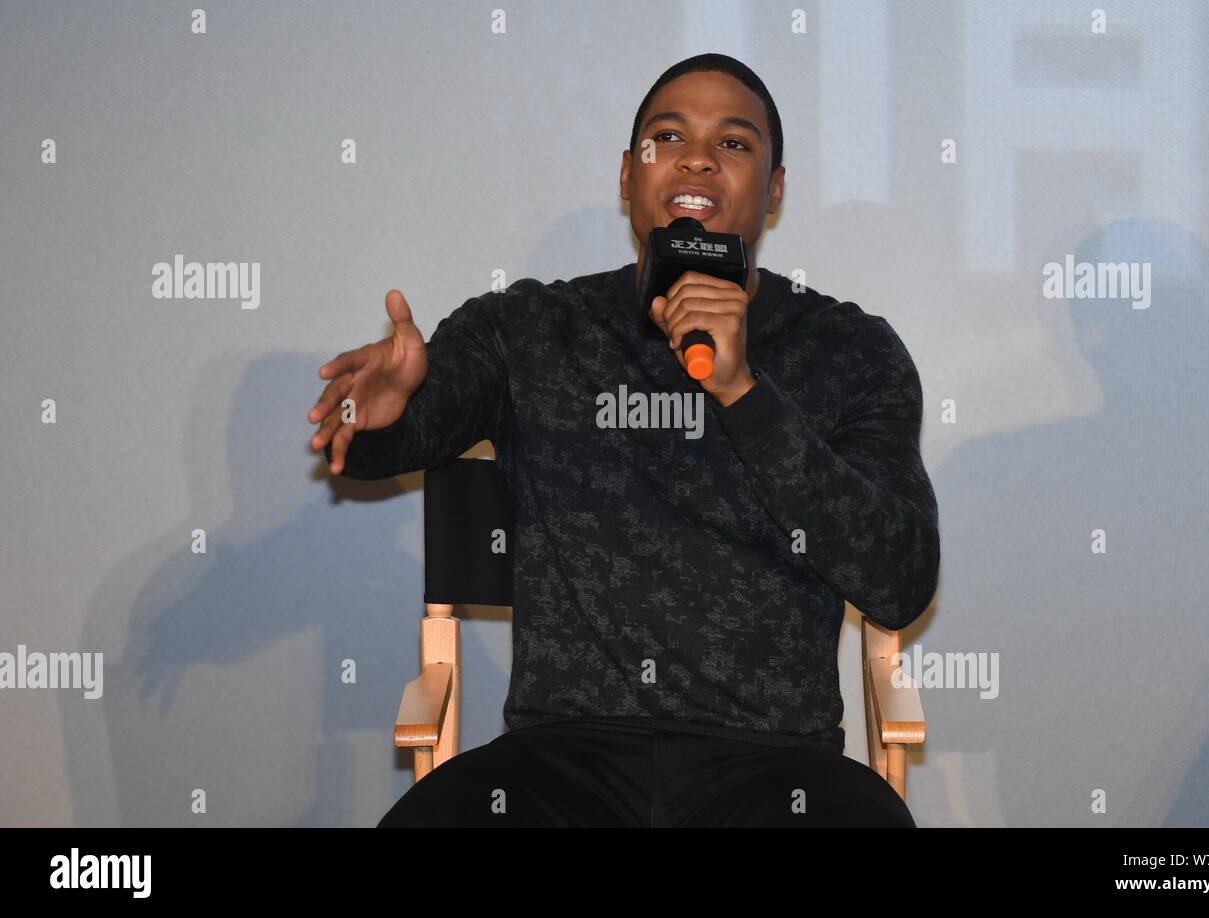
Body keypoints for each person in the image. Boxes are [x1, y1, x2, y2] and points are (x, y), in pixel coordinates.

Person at [307, 53, 939, 827]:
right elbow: (409, 427)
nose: (698, 157)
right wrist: (374, 418)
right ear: (627, 175)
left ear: (774, 190)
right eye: (667, 136)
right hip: (561, 765)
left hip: (776, 769)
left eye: (734, 143)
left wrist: (744, 393)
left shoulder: (848, 349)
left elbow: (899, 578)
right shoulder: (530, 330)